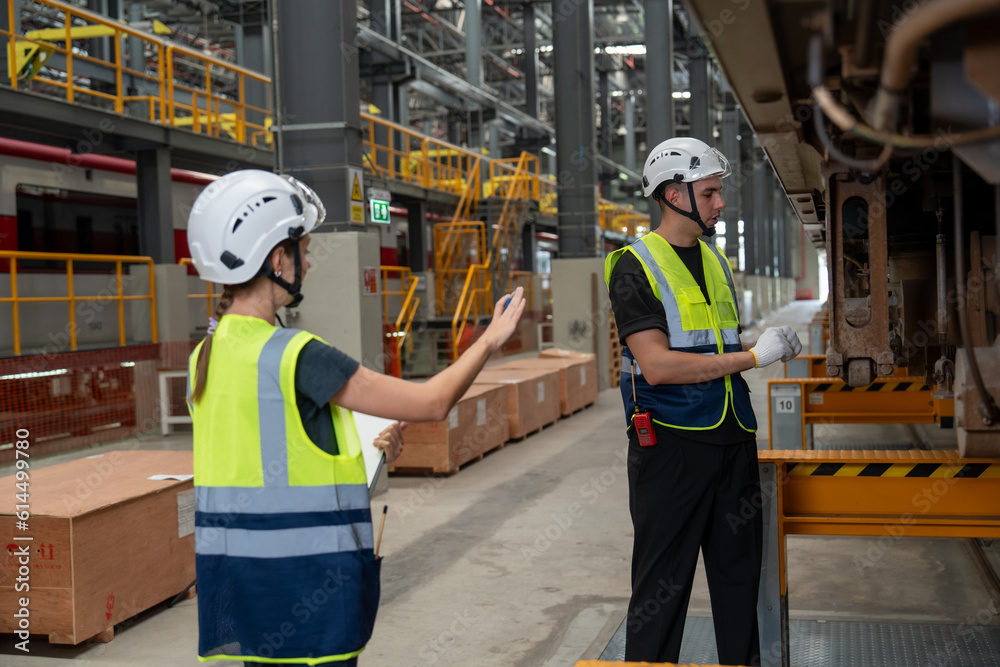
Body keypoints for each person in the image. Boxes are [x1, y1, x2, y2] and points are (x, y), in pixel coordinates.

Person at [185, 169, 526, 666]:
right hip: (307, 590)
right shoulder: (297, 354)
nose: (308, 262)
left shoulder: (204, 357)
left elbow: (268, 451)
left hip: (241, 590)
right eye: (302, 249)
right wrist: (491, 340)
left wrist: (365, 447)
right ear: (278, 258)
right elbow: (432, 402)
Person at [604, 137, 801, 665]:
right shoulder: (632, 266)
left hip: (733, 439)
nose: (720, 203)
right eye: (711, 192)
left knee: (739, 587)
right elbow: (659, 366)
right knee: (661, 591)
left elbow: (716, 346)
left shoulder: (715, 263)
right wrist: (754, 358)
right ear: (673, 194)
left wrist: (758, 347)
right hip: (671, 448)